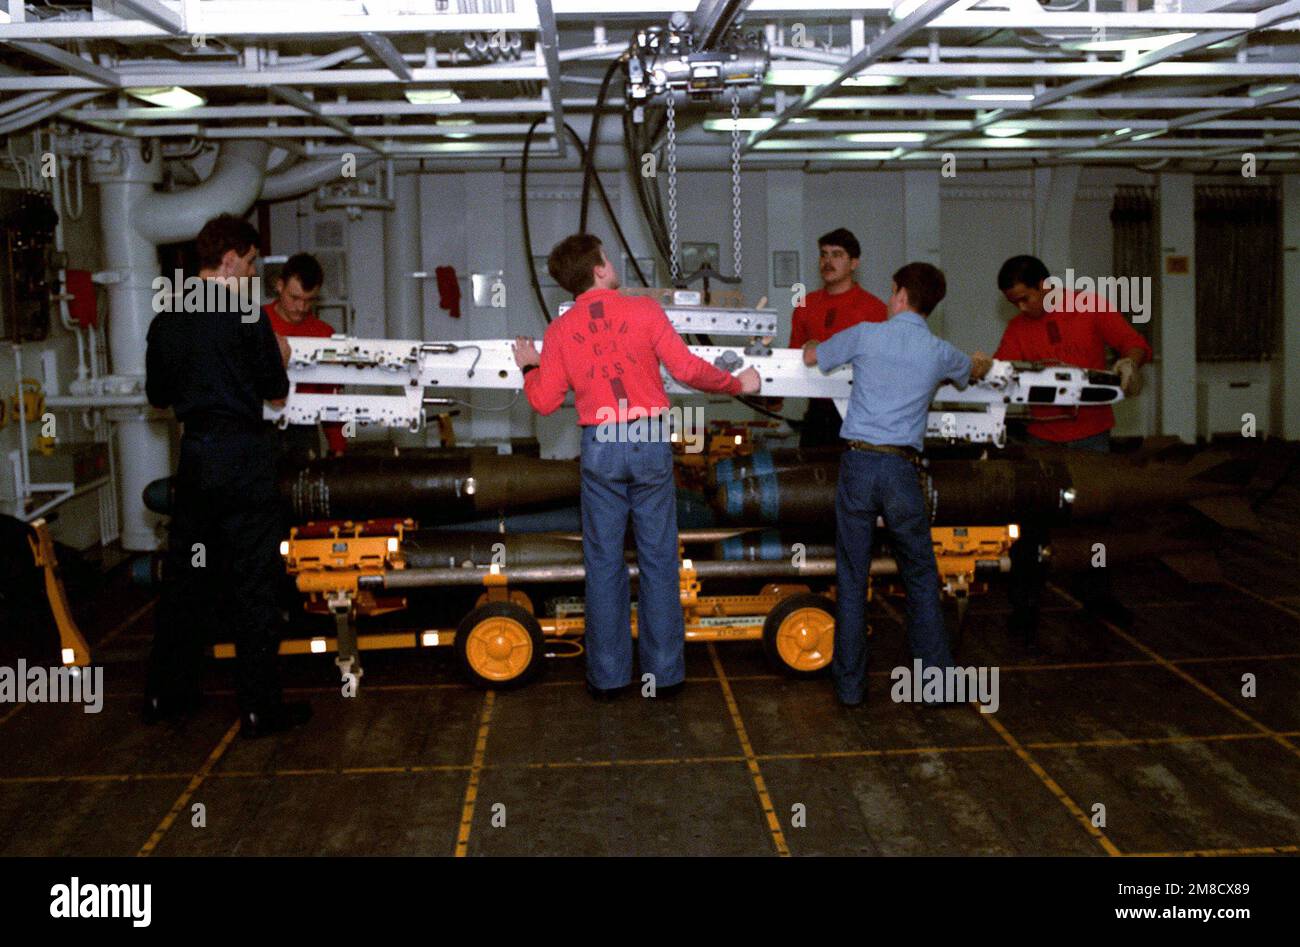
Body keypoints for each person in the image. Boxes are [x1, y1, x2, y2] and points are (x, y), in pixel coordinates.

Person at [513, 233, 760, 700]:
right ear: (600, 270)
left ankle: (608, 678)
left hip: (600, 442)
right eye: (609, 257)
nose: (614, 261)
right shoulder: (645, 311)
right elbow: (687, 369)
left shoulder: (561, 330)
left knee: (604, 563)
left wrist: (530, 367)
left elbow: (545, 402)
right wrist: (737, 383)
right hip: (647, 437)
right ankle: (663, 675)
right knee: (658, 559)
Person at [144, 214, 311, 738]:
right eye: (253, 262)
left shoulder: (167, 316)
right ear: (233, 257)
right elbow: (275, 389)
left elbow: (158, 396)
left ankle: (163, 695)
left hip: (195, 458)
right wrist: (279, 355)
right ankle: (260, 708)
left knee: (186, 582)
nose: (252, 273)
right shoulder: (243, 314)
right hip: (243, 459)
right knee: (253, 586)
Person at [803, 263, 991, 707]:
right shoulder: (941, 350)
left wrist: (814, 343)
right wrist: (978, 362)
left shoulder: (868, 334)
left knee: (852, 576)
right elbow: (974, 371)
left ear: (901, 295)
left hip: (860, 464)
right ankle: (936, 686)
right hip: (904, 470)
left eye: (891, 293)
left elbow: (814, 357)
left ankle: (850, 689)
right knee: (921, 576)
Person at [994, 254, 1153, 639]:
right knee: (1031, 526)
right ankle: (1025, 606)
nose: (1020, 307)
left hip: (1091, 437)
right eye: (1013, 301)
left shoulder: (1090, 306)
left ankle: (1099, 597)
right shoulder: (1017, 328)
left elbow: (1133, 343)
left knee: (1095, 523)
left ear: (1046, 287)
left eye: (1024, 298)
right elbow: (1001, 373)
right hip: (1042, 442)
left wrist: (1129, 363)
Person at [788, 228, 888, 447]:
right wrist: (772, 398)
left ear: (854, 263)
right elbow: (791, 358)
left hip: (861, 416)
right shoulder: (805, 305)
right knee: (812, 478)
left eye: (837, 254)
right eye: (823, 254)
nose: (827, 261)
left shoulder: (875, 310)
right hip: (816, 414)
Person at [263, 252, 346, 463]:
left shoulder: (325, 334)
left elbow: (335, 398)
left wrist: (341, 446)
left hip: (304, 433)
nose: (301, 308)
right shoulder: (255, 323)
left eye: (309, 300)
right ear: (279, 286)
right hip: (258, 429)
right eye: (295, 298)